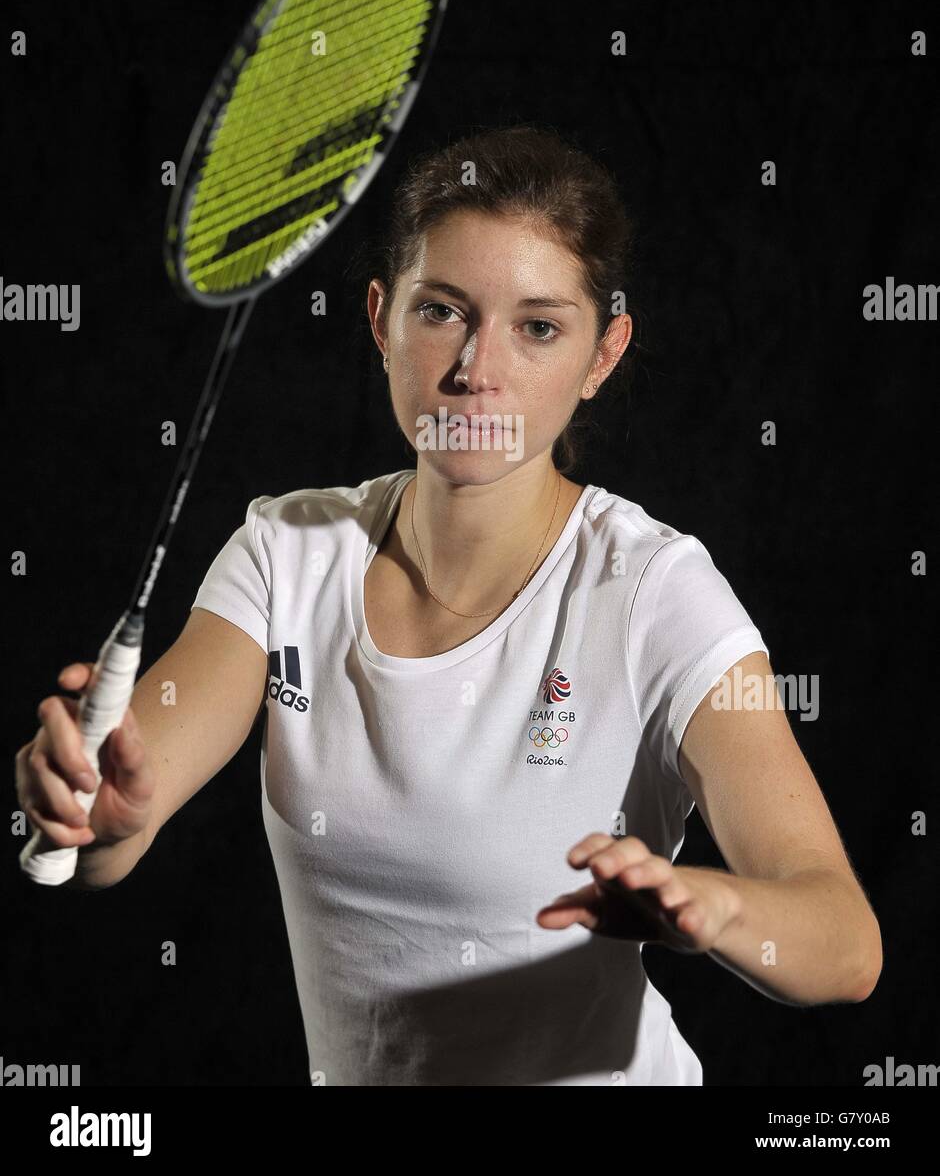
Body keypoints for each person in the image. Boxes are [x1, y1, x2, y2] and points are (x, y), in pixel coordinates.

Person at [16, 125, 882, 1087]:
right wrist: (93, 816)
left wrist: (712, 908)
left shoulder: (652, 592)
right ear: (382, 318)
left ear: (604, 353)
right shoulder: (288, 554)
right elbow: (113, 820)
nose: (478, 368)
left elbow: (846, 948)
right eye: (442, 311)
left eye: (539, 327)